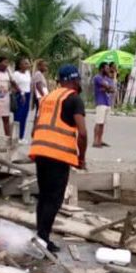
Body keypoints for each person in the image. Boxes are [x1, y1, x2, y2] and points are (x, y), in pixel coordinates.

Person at [29, 65, 87, 255]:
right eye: (78, 80)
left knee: (44, 196)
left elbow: (35, 127)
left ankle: (41, 237)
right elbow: (83, 133)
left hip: (40, 151)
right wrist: (81, 158)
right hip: (58, 155)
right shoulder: (74, 99)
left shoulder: (48, 98)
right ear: (74, 80)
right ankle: (43, 240)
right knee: (54, 199)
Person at [93, 61, 115, 148]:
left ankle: (100, 140)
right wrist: (107, 88)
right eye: (106, 68)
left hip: (107, 102)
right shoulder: (97, 77)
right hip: (100, 102)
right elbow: (108, 87)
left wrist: (106, 88)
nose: (108, 69)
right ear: (102, 69)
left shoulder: (108, 79)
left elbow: (112, 89)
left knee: (102, 123)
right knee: (98, 122)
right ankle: (95, 141)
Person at [11, 56, 32, 140]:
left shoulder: (28, 73)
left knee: (24, 117)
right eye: (25, 63)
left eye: (28, 63)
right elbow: (13, 86)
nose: (28, 65)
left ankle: (21, 137)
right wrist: (21, 93)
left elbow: (29, 85)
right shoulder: (16, 74)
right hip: (20, 95)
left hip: (27, 94)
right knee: (18, 117)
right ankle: (15, 136)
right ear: (20, 65)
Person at [31, 59, 49, 130]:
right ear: (39, 66)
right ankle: (35, 129)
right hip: (40, 97)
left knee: (39, 113)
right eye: (44, 65)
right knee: (38, 113)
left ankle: (36, 128)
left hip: (41, 96)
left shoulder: (40, 74)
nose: (46, 67)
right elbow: (38, 86)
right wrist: (44, 96)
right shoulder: (38, 74)